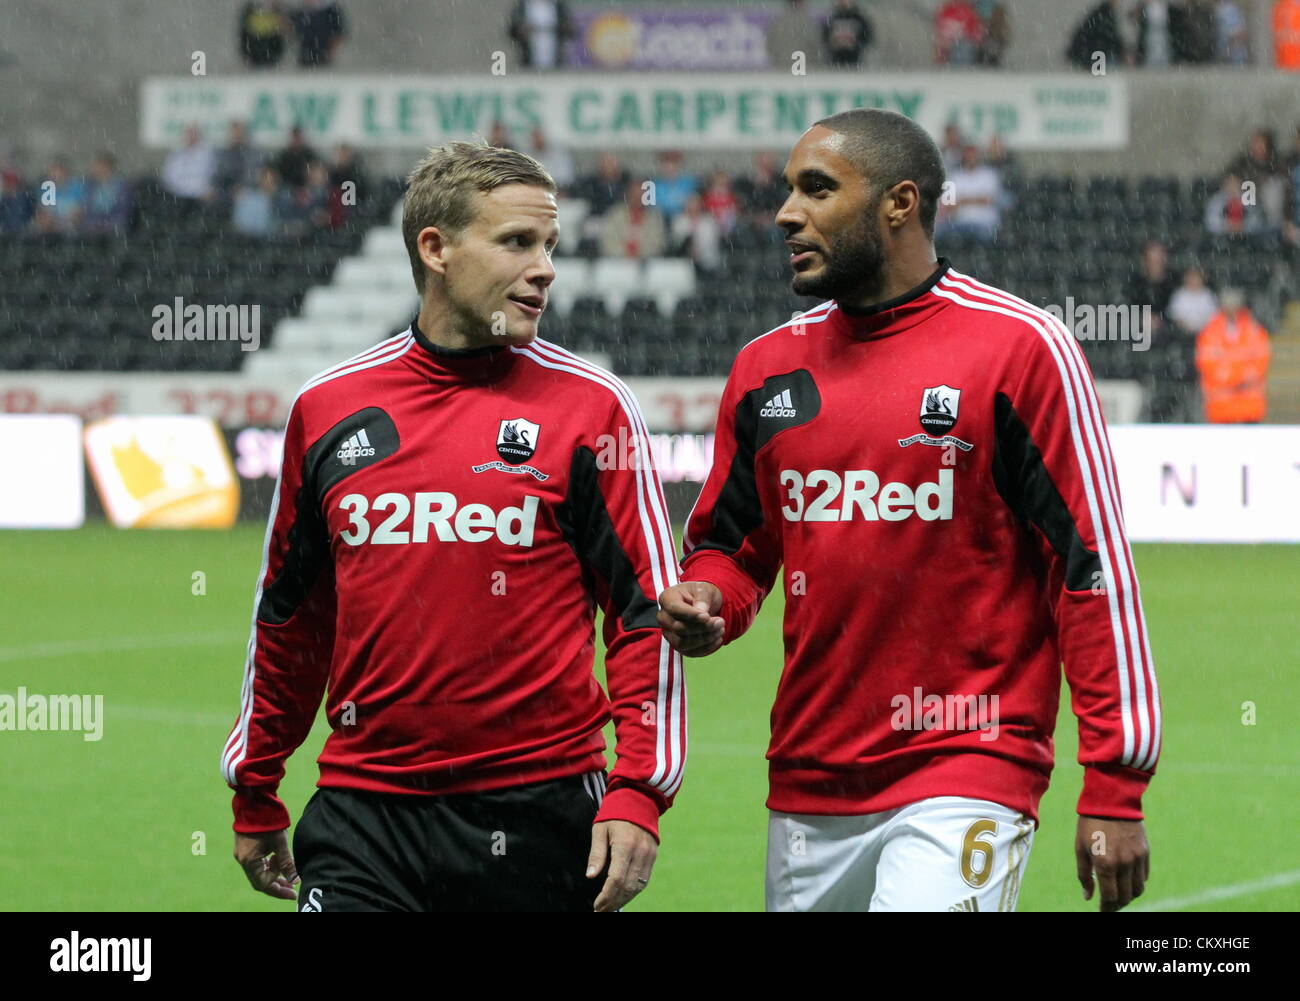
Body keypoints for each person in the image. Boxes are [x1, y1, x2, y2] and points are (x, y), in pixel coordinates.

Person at [658, 108, 1159, 912]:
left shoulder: (1019, 349)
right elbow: (733, 547)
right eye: (788, 190)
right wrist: (710, 596)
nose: (787, 212)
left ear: (899, 203)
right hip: (810, 779)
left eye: (817, 189)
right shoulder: (765, 369)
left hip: (967, 763)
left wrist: (1115, 781)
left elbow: (1090, 565)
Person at [223, 139, 684, 912]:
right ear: (434, 248)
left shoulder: (593, 409)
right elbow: (291, 616)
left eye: (550, 245)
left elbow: (645, 614)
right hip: (363, 818)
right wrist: (257, 783)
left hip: (542, 814)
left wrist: (638, 788)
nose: (546, 268)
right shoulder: (330, 408)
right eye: (517, 242)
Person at [1195, 289, 1271, 422]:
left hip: (1249, 406)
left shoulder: (1254, 330)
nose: (1232, 311)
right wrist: (1233, 378)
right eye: (1228, 307)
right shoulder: (1210, 332)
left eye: (1235, 306)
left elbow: (1261, 360)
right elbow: (1206, 363)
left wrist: (1239, 377)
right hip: (1221, 407)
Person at [934, 144, 1003, 244]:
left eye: (973, 156)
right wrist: (976, 199)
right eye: (968, 156)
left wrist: (962, 201)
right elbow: (948, 205)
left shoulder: (990, 175)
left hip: (984, 222)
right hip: (959, 223)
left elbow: (988, 200)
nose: (971, 159)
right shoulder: (955, 176)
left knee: (983, 237)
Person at [599, 178, 668, 259]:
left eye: (641, 194)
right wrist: (625, 254)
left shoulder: (655, 217)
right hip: (617, 263)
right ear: (628, 195)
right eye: (634, 194)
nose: (637, 198)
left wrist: (639, 253)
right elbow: (606, 240)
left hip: (647, 264)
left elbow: (658, 243)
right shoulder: (615, 214)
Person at [1125, 239, 1177, 336]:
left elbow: (1179, 308)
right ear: (1144, 259)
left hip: (1169, 331)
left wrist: (1162, 320)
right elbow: (1127, 307)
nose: (1157, 260)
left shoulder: (1174, 282)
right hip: (1137, 330)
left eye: (1160, 256)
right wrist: (1142, 318)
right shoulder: (1134, 282)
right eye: (1152, 258)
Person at [507, 0, 574, 69]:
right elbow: (513, 31)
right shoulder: (522, 7)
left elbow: (571, 31)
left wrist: (565, 27)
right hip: (528, 65)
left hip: (556, 65)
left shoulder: (559, 7)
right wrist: (521, 30)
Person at [161, 124, 216, 206]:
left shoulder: (207, 153)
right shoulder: (176, 153)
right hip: (176, 193)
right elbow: (168, 176)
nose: (191, 137)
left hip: (199, 195)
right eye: (188, 134)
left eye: (193, 134)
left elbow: (209, 174)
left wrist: (201, 189)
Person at [82, 153, 132, 235]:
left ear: (107, 167)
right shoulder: (90, 186)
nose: (95, 169)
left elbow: (123, 209)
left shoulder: (121, 185)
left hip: (114, 224)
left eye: (99, 166)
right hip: (93, 224)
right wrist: (93, 223)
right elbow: (87, 208)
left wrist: (108, 223)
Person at [292, 0, 346, 68]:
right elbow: (294, 30)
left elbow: (338, 32)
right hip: (305, 55)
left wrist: (332, 50)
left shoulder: (331, 10)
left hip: (324, 53)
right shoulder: (302, 11)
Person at [1168, 265, 1218, 335]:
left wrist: (1203, 329)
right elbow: (1175, 317)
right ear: (1185, 278)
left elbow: (1214, 316)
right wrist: (1186, 328)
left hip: (1205, 332)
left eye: (1196, 277)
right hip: (1183, 333)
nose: (1193, 279)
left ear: (1203, 279)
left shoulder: (1208, 295)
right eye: (1191, 276)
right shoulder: (1179, 294)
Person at [823, 0, 874, 67]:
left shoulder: (859, 18)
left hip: (855, 59)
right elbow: (825, 36)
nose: (845, 2)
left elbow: (867, 36)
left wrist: (857, 45)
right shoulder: (832, 18)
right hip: (835, 59)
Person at [238, 2, 288, 68]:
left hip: (272, 61)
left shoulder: (277, 14)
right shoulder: (249, 13)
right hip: (255, 60)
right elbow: (244, 38)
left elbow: (282, 37)